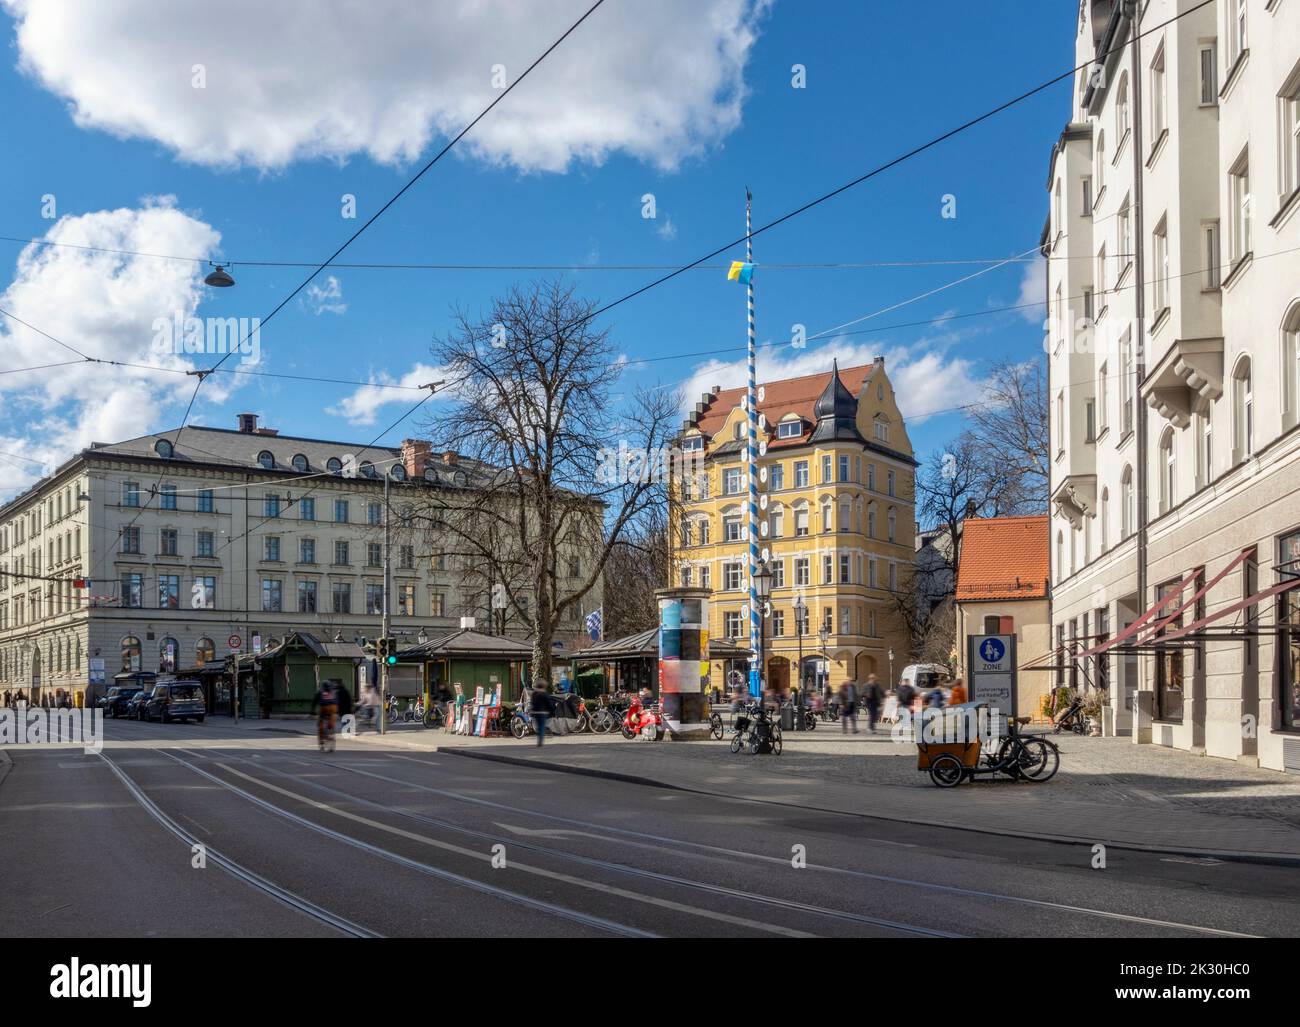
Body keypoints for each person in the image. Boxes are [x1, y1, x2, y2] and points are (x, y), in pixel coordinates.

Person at [311, 680, 343, 750]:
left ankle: (321, 742)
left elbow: (314, 701)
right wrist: (339, 711)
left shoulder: (320, 691)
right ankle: (331, 734)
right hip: (333, 708)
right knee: (331, 722)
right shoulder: (333, 692)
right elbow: (338, 701)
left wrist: (312, 711)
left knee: (320, 724)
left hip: (324, 708)